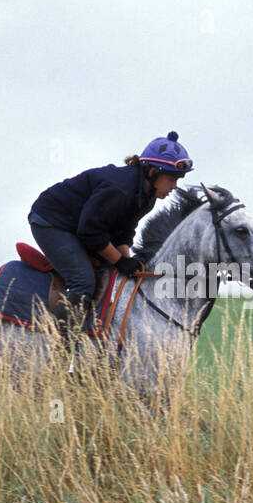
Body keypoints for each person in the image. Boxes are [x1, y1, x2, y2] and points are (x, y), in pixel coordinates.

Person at [28, 131, 193, 356]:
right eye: (172, 179)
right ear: (153, 172)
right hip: (50, 221)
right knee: (83, 281)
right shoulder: (121, 189)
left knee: (116, 275)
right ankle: (60, 350)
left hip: (81, 226)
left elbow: (124, 231)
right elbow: (89, 232)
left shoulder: (147, 196)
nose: (174, 186)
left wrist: (126, 260)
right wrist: (119, 260)